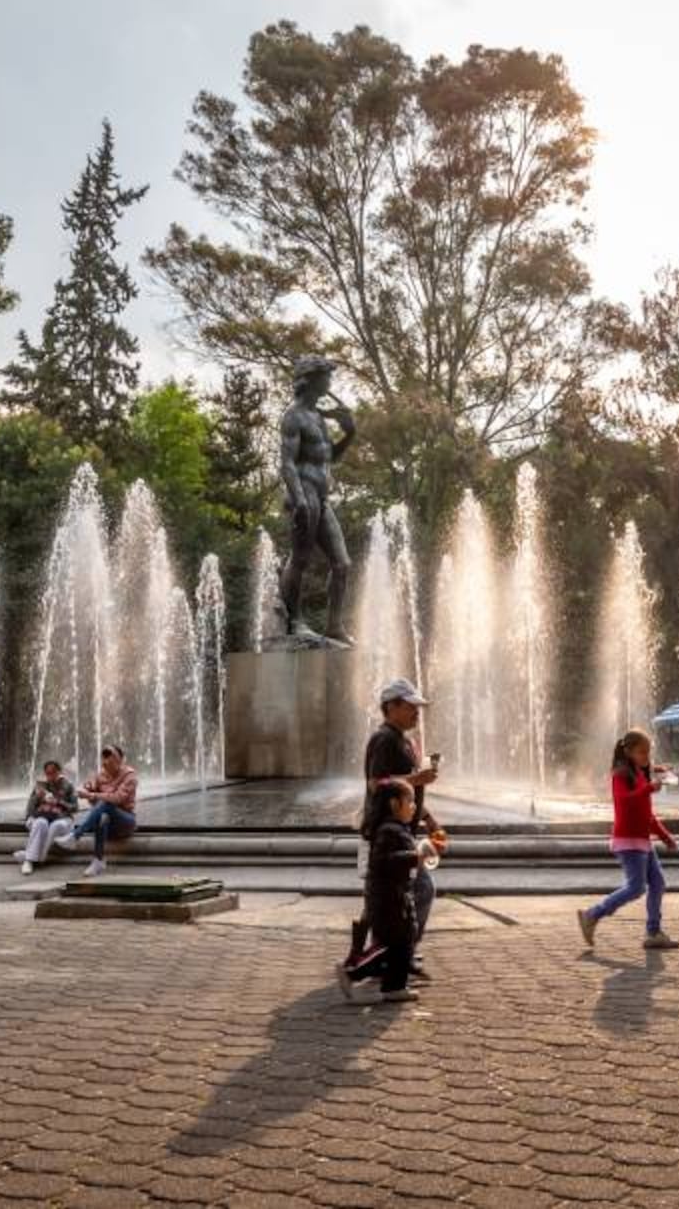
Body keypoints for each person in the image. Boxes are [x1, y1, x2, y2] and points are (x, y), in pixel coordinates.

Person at [576, 729, 679, 951]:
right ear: (629, 752)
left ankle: (653, 932)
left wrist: (665, 837)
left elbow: (647, 816)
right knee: (635, 888)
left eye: (648, 752)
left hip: (643, 841)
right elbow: (624, 802)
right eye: (642, 752)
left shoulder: (640, 775)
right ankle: (592, 914)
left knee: (658, 883)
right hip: (628, 841)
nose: (646, 757)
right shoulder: (620, 775)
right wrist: (648, 789)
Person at [360, 679, 440, 969]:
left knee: (386, 900)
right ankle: (395, 956)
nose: (417, 712)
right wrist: (416, 779)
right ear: (391, 707)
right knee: (420, 891)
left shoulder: (403, 740)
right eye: (410, 706)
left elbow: (403, 791)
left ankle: (385, 954)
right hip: (387, 832)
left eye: (417, 707)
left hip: (402, 831)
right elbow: (376, 783)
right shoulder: (385, 739)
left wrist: (426, 816)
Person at [277, 355, 357, 643]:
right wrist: (298, 499)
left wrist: (349, 433)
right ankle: (293, 621)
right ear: (311, 379)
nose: (330, 381)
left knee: (342, 563)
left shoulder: (318, 418)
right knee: (299, 558)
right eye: (326, 376)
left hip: (321, 498)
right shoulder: (293, 415)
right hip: (304, 493)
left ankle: (334, 625)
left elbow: (329, 457)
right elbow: (286, 463)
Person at [337, 778, 424, 1004]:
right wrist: (417, 857)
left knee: (403, 944)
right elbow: (385, 861)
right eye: (411, 802)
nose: (415, 807)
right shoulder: (389, 830)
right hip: (389, 900)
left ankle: (394, 987)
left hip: (396, 898)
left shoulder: (394, 829)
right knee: (393, 947)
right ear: (395, 805)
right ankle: (353, 971)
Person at [72, 745, 138, 877]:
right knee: (102, 815)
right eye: (104, 761)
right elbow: (94, 798)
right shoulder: (101, 774)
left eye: (110, 761)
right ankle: (98, 860)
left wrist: (93, 795)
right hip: (108, 824)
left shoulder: (130, 776)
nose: (106, 765)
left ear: (119, 760)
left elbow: (118, 799)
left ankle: (76, 834)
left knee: (107, 804)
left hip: (126, 822)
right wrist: (87, 790)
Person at [16, 759, 80, 875]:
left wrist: (58, 802)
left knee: (55, 826)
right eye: (48, 773)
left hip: (62, 819)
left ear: (60, 772)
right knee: (41, 823)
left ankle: (30, 858)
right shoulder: (41, 785)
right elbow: (30, 809)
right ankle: (32, 860)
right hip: (43, 818)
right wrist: (37, 798)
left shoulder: (68, 786)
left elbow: (75, 808)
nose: (51, 776)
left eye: (53, 772)